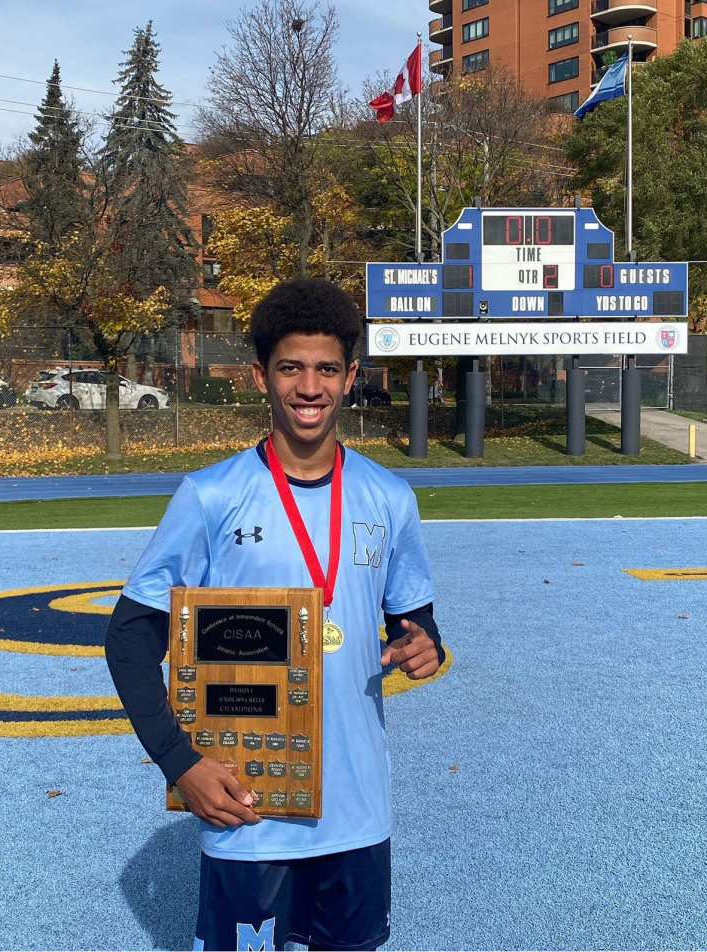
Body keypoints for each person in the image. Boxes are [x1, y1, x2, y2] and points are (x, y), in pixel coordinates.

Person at [105, 277, 444, 952]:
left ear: (352, 377)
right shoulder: (211, 496)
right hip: (250, 812)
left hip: (358, 813)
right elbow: (129, 637)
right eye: (291, 367)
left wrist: (426, 648)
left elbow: (418, 625)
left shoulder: (390, 497)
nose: (309, 387)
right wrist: (182, 763)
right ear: (261, 375)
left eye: (326, 369)